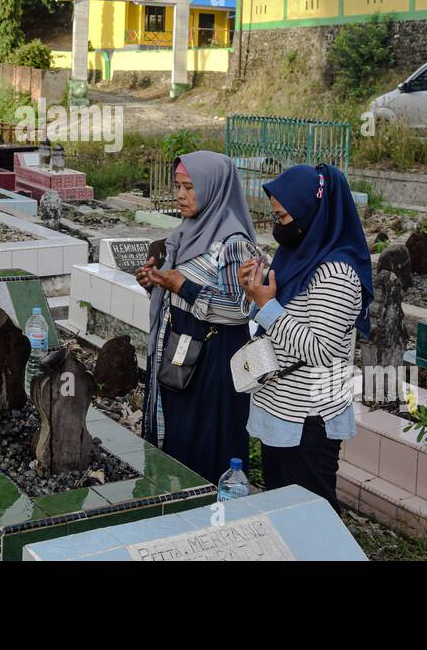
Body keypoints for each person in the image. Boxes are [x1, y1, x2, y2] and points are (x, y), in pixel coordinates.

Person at [237, 163, 372, 511]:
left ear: (312, 214)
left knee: (311, 515)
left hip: (309, 417)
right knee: (283, 510)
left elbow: (321, 350)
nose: (278, 226)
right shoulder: (300, 255)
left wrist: (267, 305)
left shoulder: (337, 273)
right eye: (276, 217)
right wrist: (255, 292)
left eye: (283, 219)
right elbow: (281, 317)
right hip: (282, 405)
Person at [137, 150, 255, 484]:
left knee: (206, 442)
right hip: (181, 350)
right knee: (178, 436)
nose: (180, 195)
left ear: (214, 188)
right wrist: (155, 283)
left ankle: (208, 517)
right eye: (177, 186)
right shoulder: (185, 231)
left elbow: (240, 309)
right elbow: (176, 291)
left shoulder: (233, 244)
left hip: (214, 362)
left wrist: (184, 286)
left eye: (189, 187)